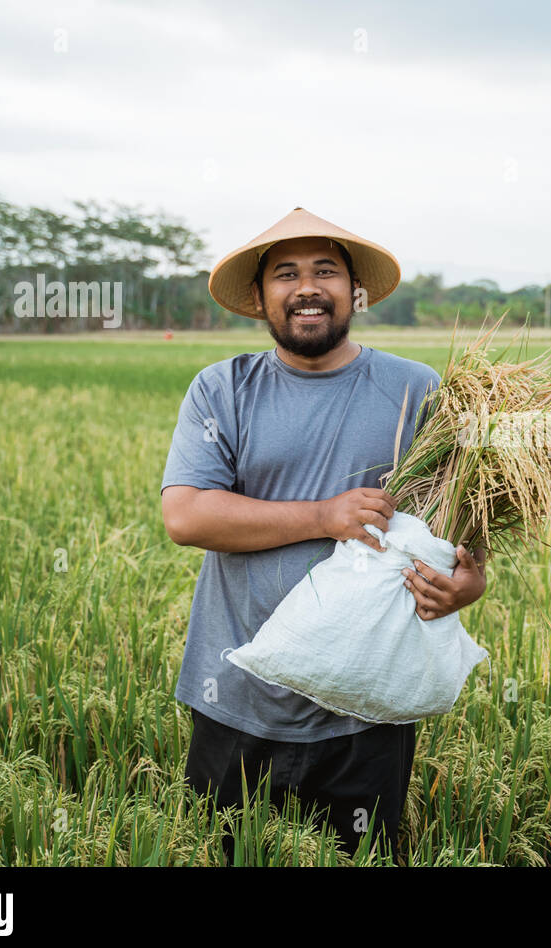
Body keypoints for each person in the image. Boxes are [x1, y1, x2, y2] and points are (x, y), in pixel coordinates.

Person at [160, 207, 488, 864]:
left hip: (368, 707)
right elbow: (186, 516)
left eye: (325, 271)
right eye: (286, 274)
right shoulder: (222, 389)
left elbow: (463, 525)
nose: (307, 288)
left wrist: (467, 582)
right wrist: (322, 516)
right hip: (237, 701)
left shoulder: (418, 390)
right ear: (259, 297)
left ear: (352, 291)